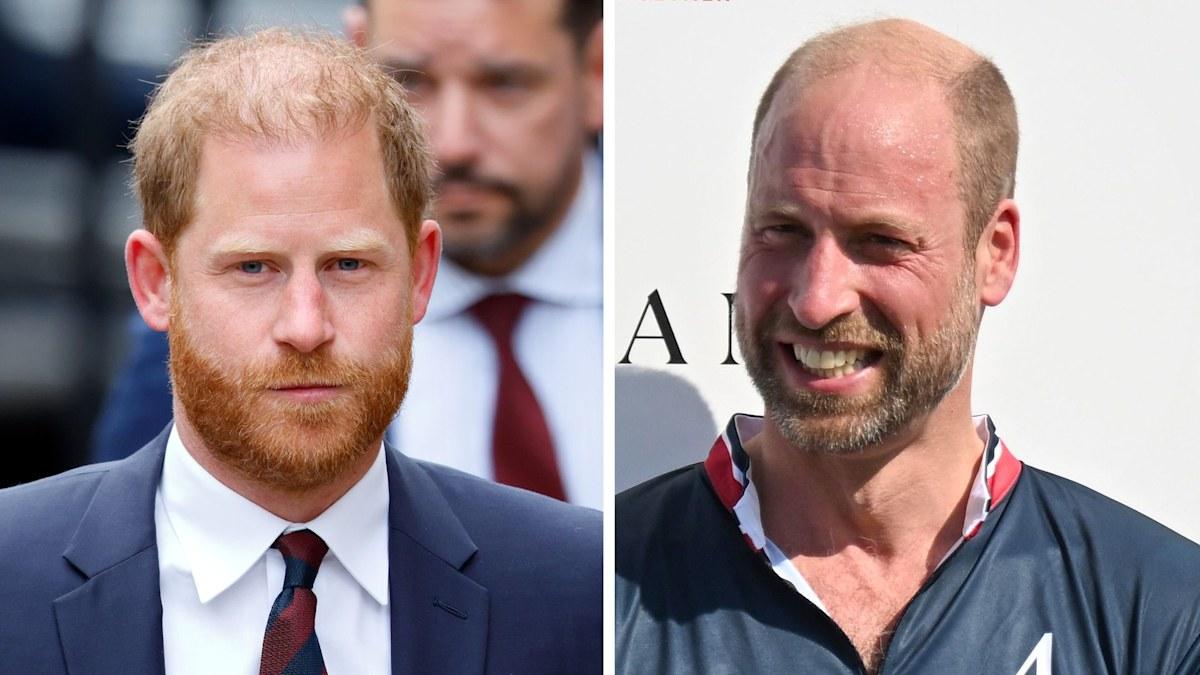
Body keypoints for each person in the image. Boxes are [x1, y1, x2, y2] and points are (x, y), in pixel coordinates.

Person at [0, 30, 600, 674]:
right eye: (254, 268)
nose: (306, 326)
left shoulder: (577, 589)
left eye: (348, 264)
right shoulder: (12, 578)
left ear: (421, 275)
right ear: (155, 282)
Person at [616, 19, 1200, 675]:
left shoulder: (1162, 616)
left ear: (995, 253)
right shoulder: (594, 599)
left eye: (880, 242)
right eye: (782, 230)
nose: (817, 298)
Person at [91, 0, 604, 507]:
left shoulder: (672, 262)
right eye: (409, 82)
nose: (452, 144)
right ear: (360, 58)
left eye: (505, 85)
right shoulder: (206, 333)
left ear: (597, 71)